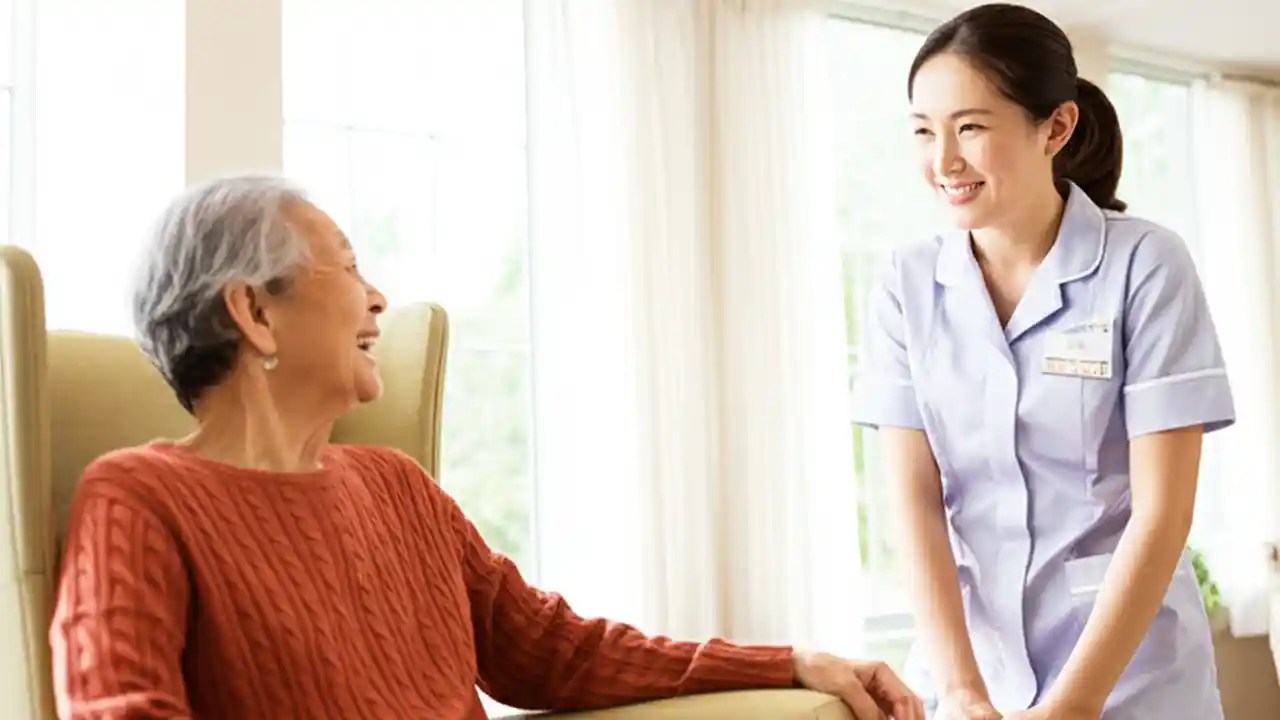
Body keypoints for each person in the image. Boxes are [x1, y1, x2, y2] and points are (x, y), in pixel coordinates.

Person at [49, 174, 924, 720]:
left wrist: (790, 661)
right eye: (348, 267)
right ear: (253, 311)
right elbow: (120, 710)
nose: (377, 297)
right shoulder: (139, 498)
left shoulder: (394, 486)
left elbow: (555, 651)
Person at [851, 4, 1234, 719]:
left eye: (970, 127)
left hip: (1131, 681)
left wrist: (1072, 707)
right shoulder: (905, 284)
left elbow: (1162, 512)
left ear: (1055, 128)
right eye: (924, 131)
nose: (944, 161)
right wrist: (962, 691)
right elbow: (914, 502)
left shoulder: (1145, 264)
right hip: (972, 671)